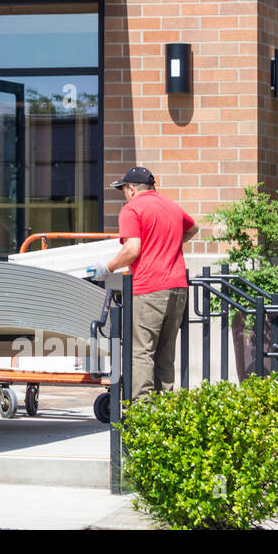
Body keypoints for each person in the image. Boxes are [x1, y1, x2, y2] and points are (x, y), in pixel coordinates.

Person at [95, 167, 198, 401]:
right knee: (165, 352)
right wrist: (169, 245)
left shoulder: (132, 209)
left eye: (123, 190)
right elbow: (193, 228)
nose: (124, 194)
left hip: (149, 287)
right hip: (178, 287)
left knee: (141, 352)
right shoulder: (171, 205)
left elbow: (132, 249)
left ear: (131, 189)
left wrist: (107, 268)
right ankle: (164, 411)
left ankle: (142, 412)